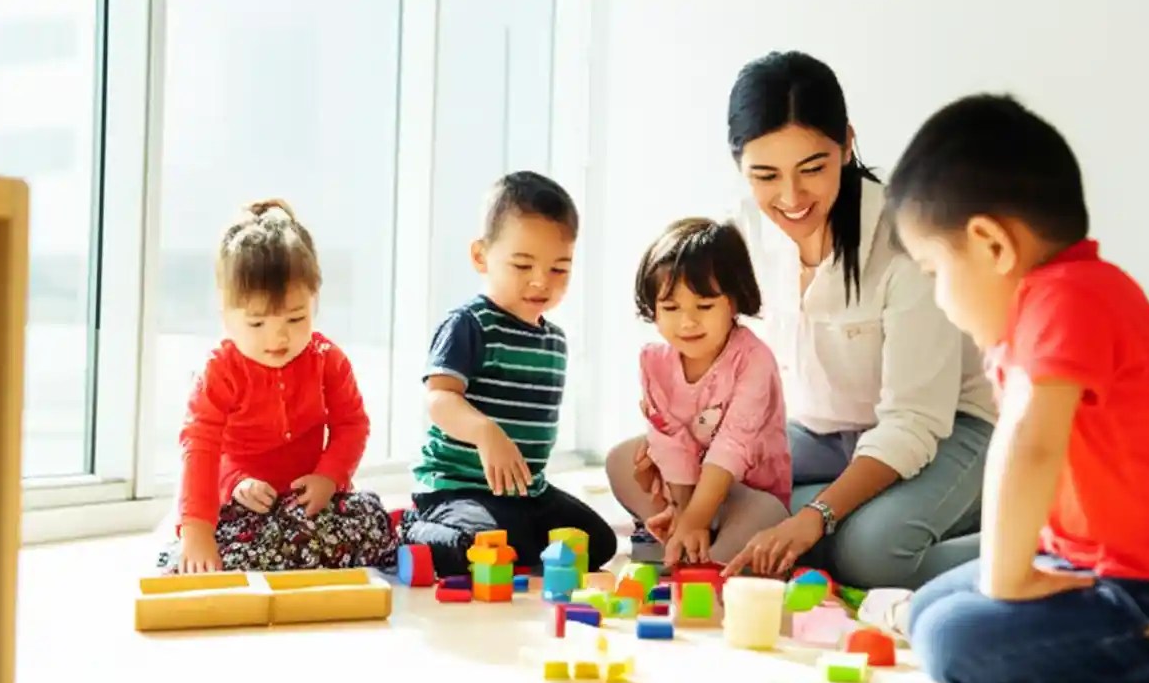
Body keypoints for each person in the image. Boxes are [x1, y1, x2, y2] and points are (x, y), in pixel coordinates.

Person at [893, 93, 1149, 683]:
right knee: (928, 605)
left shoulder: (1067, 297)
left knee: (951, 638)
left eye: (932, 273)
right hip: (1109, 572)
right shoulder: (1062, 297)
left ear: (991, 246)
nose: (940, 300)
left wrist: (1007, 579)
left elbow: (1028, 444)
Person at [611, 50, 997, 590]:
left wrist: (813, 517)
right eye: (766, 175)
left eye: (813, 168)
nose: (792, 198)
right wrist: (685, 473)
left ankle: (1036, 539)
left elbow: (914, 422)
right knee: (651, 468)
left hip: (948, 430)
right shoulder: (740, 234)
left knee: (871, 553)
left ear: (846, 144)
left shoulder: (907, 241)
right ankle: (836, 522)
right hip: (815, 434)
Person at [158, 199, 396, 574]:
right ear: (224, 314)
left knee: (371, 521)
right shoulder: (219, 370)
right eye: (256, 324)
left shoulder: (326, 358)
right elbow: (201, 447)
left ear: (314, 301)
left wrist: (328, 477)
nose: (278, 337)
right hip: (243, 506)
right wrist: (200, 528)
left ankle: (293, 558)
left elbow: (352, 424)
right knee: (196, 557)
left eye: (296, 317)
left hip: (309, 503)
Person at [397, 171, 616, 576]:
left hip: (526, 492)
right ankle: (412, 529)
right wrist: (485, 432)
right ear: (481, 256)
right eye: (522, 264)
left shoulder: (555, 341)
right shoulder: (469, 323)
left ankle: (514, 538)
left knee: (599, 543)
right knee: (486, 545)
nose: (540, 281)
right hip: (458, 490)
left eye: (559, 269)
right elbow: (439, 398)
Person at [606, 217, 792, 567]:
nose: (687, 322)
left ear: (734, 302)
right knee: (621, 460)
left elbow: (732, 446)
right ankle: (679, 537)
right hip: (689, 488)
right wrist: (681, 509)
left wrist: (697, 518)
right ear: (653, 309)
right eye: (670, 308)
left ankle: (699, 549)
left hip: (746, 492)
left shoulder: (754, 360)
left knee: (766, 516)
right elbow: (671, 442)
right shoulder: (653, 361)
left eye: (704, 307)